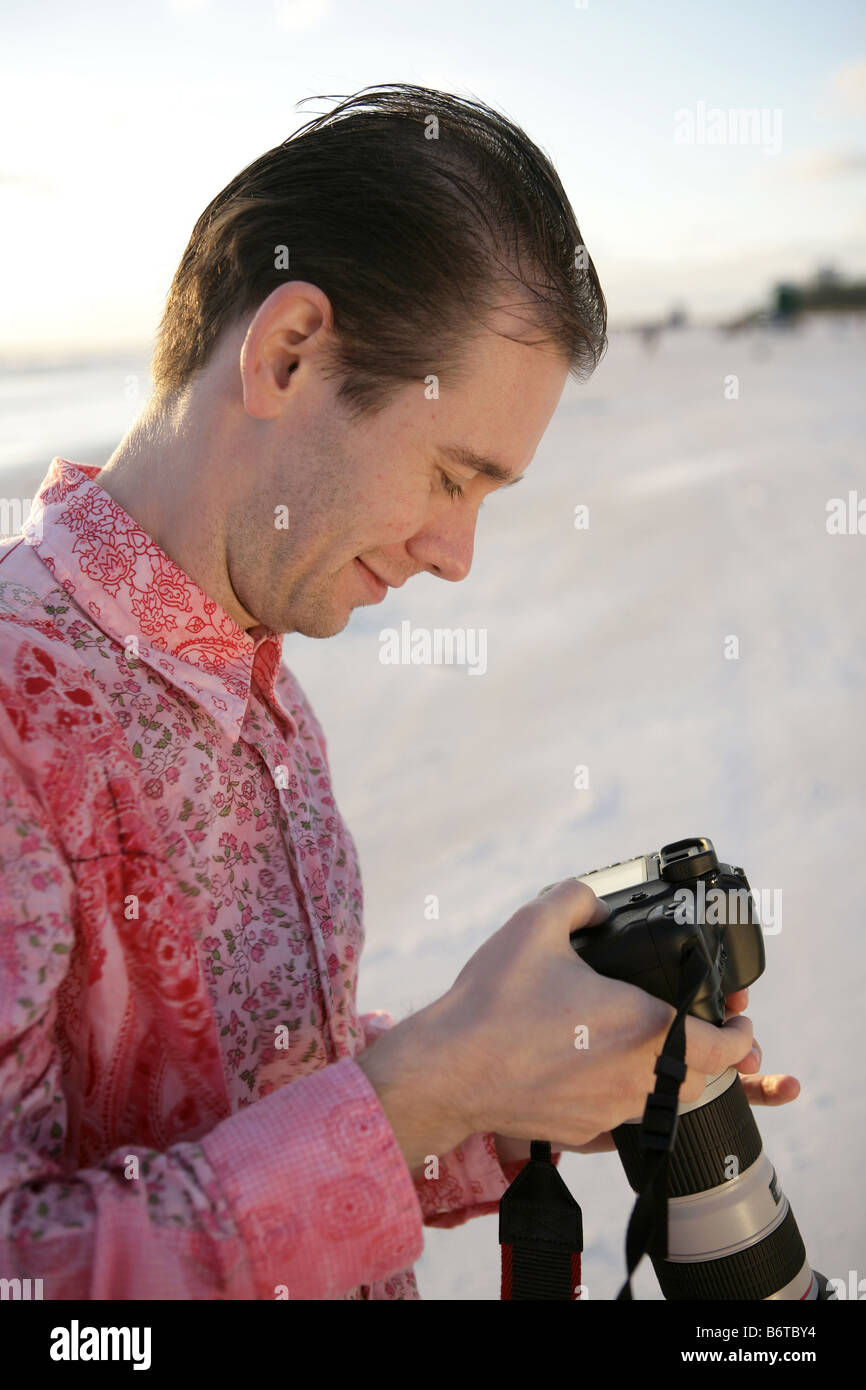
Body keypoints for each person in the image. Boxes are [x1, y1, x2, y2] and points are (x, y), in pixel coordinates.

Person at [0, 83, 797, 1302]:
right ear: (288, 352)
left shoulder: (255, 679)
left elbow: (255, 1099)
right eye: (448, 475)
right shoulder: (17, 714)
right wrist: (429, 1085)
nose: (456, 552)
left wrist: (518, 1087)